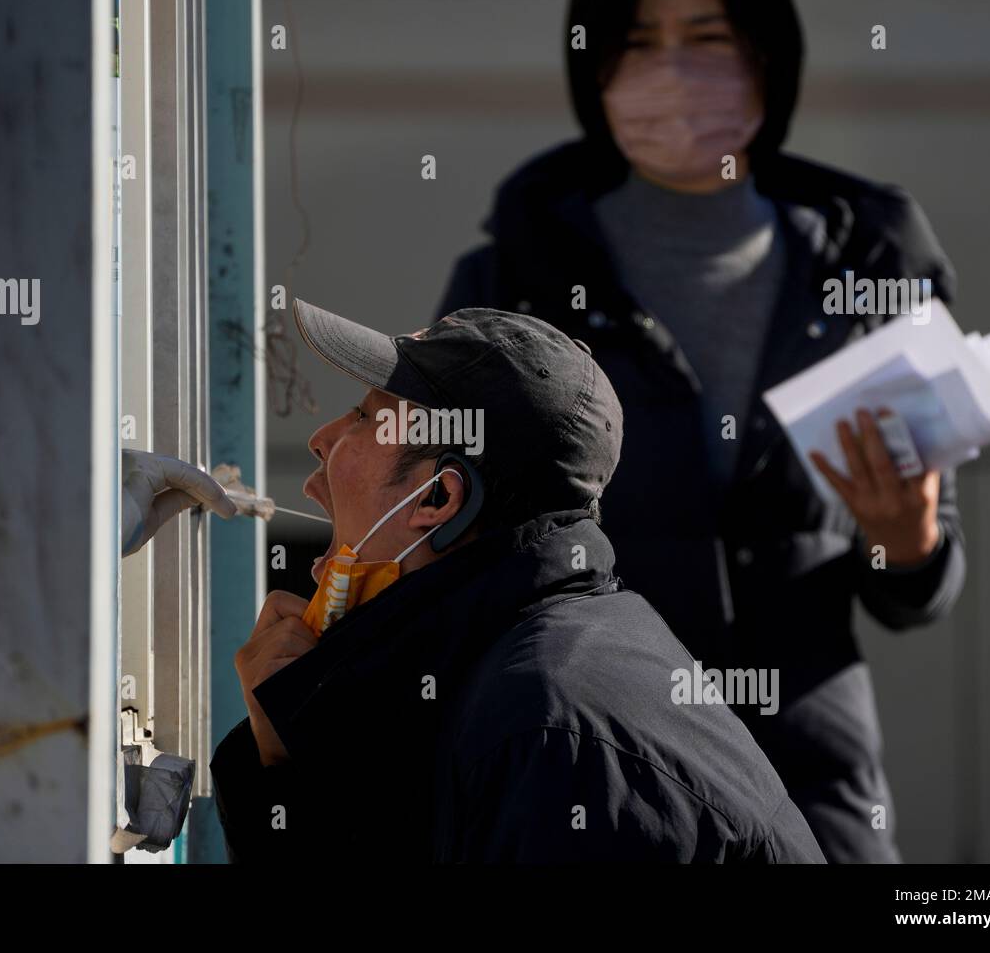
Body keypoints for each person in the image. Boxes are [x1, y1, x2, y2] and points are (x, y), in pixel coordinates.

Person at [436, 0, 965, 862]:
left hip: (813, 778)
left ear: (769, 63)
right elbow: (451, 537)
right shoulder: (514, 277)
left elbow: (924, 586)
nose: (674, 70)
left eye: (710, 38)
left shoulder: (873, 270)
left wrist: (904, 544)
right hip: (597, 766)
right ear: (594, 71)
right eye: (638, 41)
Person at [208, 298, 824, 863]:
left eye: (366, 416)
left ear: (439, 496)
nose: (320, 440)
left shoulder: (551, 731)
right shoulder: (508, 659)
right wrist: (280, 761)